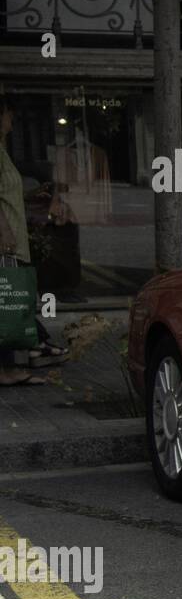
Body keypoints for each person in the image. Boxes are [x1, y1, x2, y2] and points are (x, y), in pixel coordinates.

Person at [0, 95, 67, 386]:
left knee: (8, 302)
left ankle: (26, 353)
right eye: (10, 116)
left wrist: (28, 196)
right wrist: (4, 232)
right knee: (7, 302)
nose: (12, 123)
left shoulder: (1, 152)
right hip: (5, 240)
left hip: (11, 236)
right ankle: (9, 367)